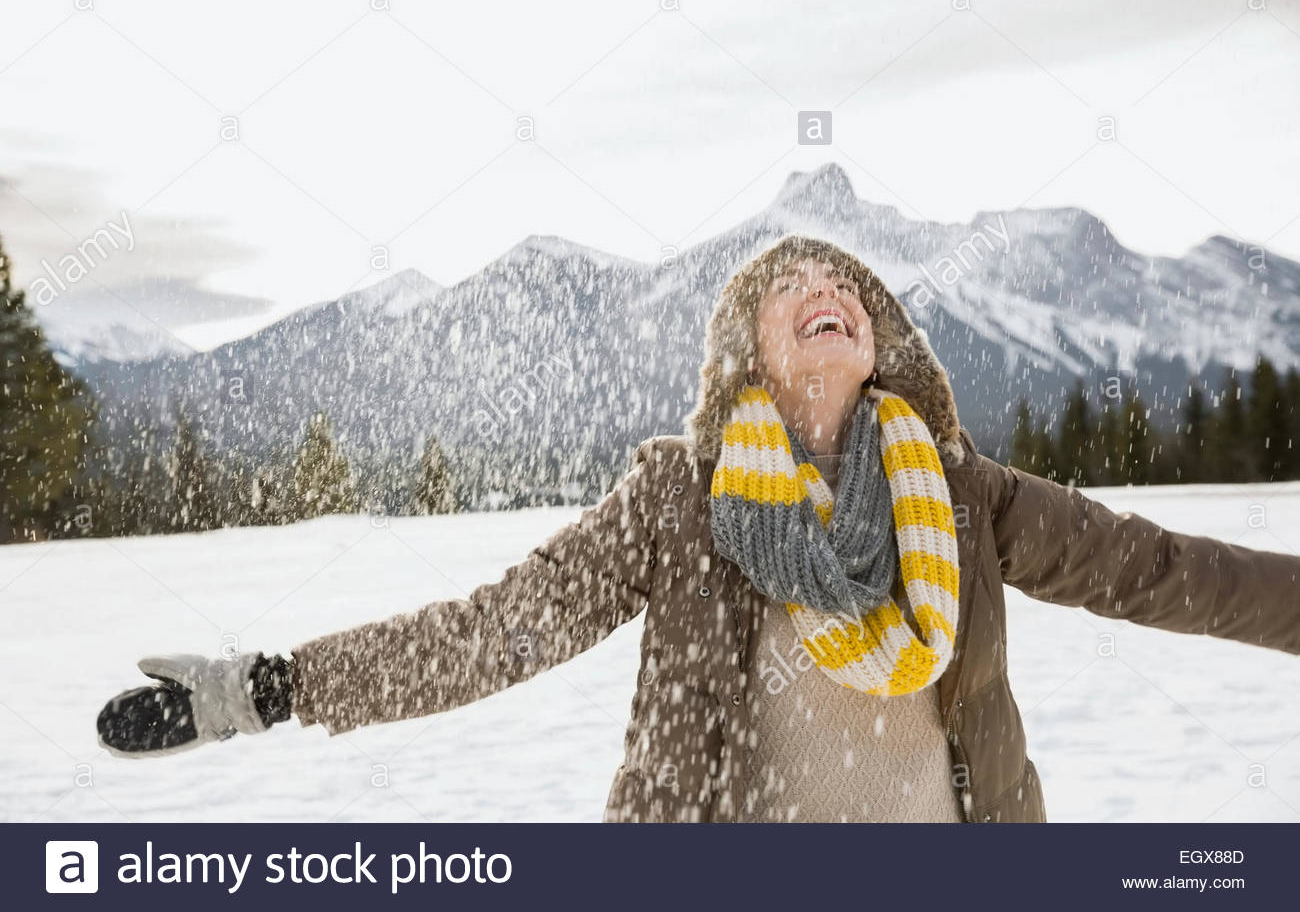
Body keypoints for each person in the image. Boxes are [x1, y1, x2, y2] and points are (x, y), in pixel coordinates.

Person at [98, 233, 1300, 822]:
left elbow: (1157, 568)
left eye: (846, 289)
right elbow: (497, 630)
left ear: (878, 339)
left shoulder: (960, 491)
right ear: (751, 361)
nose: (824, 294)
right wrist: (265, 687)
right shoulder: (683, 501)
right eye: (789, 293)